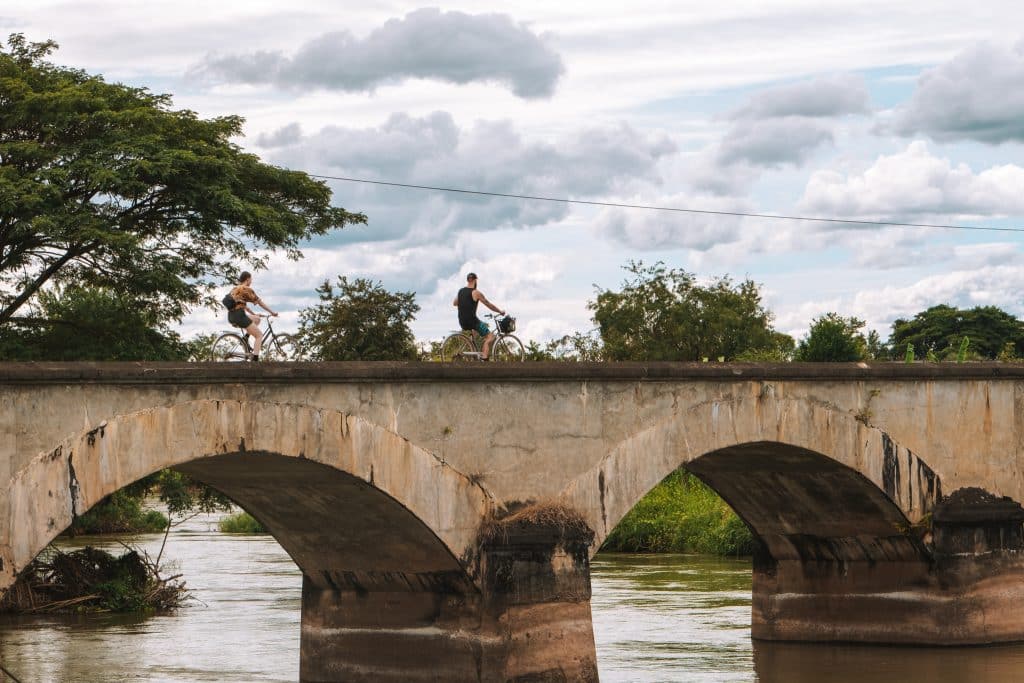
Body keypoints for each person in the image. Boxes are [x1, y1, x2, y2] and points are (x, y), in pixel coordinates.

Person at [453, 272, 505, 360]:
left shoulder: (460, 291)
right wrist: (500, 311)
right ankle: (484, 357)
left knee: (475, 332)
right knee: (490, 337)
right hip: (472, 321)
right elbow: (488, 304)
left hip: (462, 321)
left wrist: (464, 303)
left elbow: (454, 303)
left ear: (467, 280)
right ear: (475, 280)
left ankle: (473, 349)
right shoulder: (476, 292)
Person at [227, 271, 278, 361]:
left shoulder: (235, 289)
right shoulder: (246, 289)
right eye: (251, 279)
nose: (251, 281)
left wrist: (254, 315)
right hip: (240, 317)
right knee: (259, 335)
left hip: (231, 317)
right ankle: (255, 359)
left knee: (257, 319)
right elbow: (260, 302)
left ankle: (245, 338)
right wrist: (272, 312)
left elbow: (243, 306)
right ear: (247, 279)